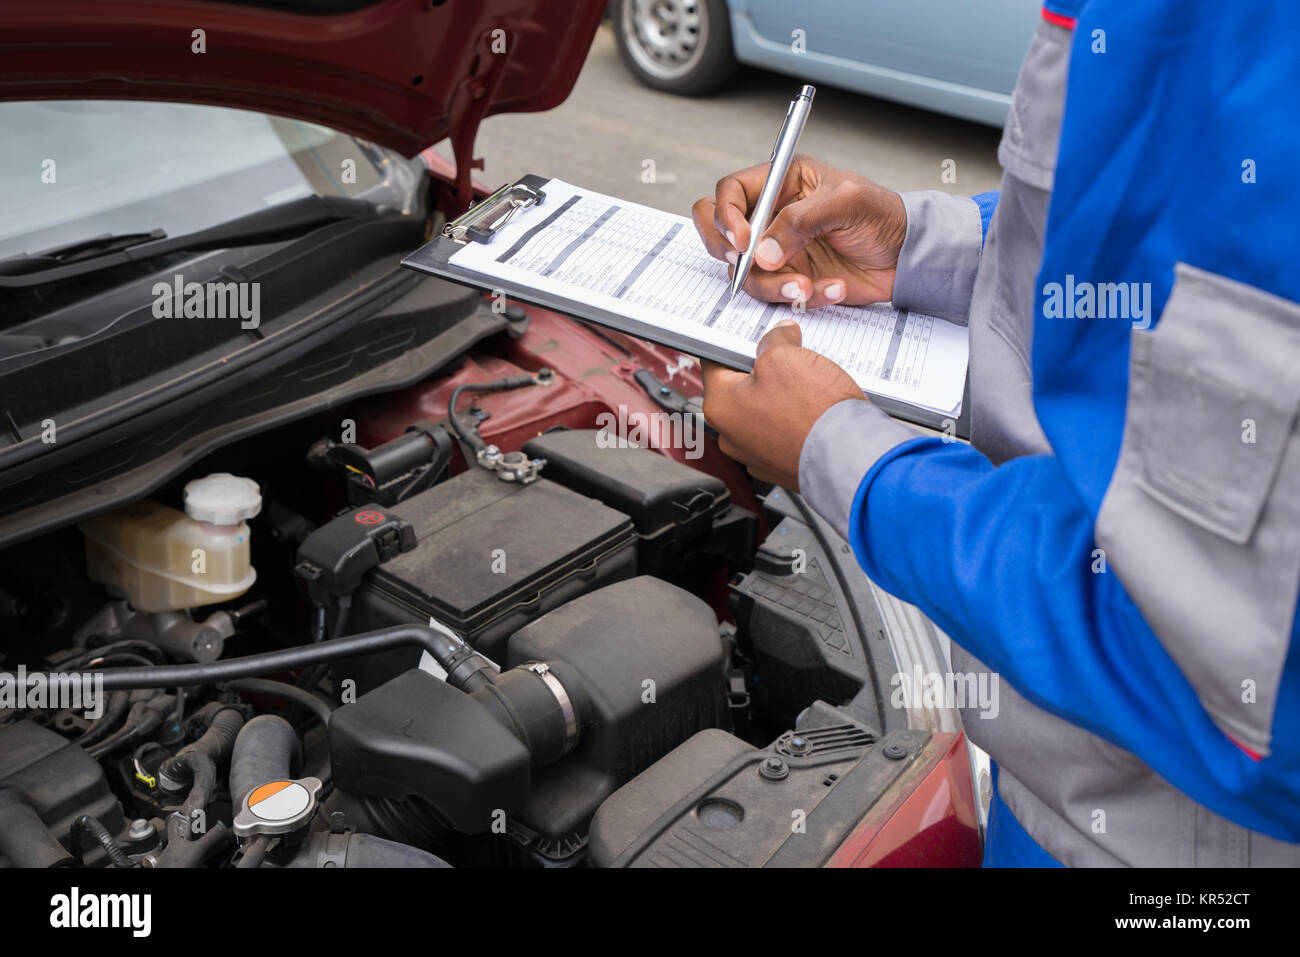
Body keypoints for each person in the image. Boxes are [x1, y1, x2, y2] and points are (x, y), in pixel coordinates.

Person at [693, 0, 1300, 866]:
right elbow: (1136, 257)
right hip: (1045, 799)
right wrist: (918, 248)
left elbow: (1242, 683)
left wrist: (853, 465)